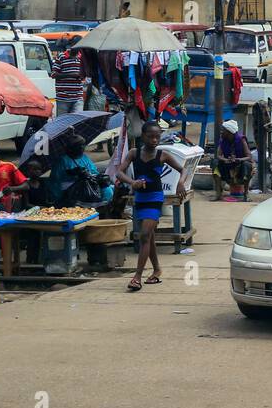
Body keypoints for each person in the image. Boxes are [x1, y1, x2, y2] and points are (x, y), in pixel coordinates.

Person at [117, 121, 188, 292]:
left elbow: (183, 169)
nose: (155, 140)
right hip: (140, 198)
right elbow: (119, 172)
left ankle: (137, 277)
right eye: (151, 136)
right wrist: (132, 182)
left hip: (155, 198)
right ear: (143, 136)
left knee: (144, 235)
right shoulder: (134, 153)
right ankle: (156, 269)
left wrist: (180, 182)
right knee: (148, 237)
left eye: (158, 136)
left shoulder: (163, 155)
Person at [49, 136, 114, 208]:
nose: (82, 148)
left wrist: (88, 174)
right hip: (71, 189)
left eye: (83, 145)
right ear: (71, 148)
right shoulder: (62, 161)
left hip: (88, 182)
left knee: (108, 188)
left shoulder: (84, 157)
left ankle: (106, 207)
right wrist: (73, 174)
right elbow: (55, 181)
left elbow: (94, 172)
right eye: (78, 146)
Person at [216, 119, 253, 200]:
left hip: (240, 164)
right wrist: (225, 159)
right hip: (228, 163)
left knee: (247, 165)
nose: (221, 132)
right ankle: (219, 194)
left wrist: (239, 159)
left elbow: (249, 156)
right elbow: (218, 155)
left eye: (223, 130)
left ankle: (246, 194)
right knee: (215, 163)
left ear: (229, 132)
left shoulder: (241, 139)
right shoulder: (222, 140)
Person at [51, 48, 88, 116]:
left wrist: (82, 75)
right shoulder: (61, 56)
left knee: (77, 121)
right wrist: (71, 75)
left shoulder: (82, 58)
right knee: (62, 123)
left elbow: (84, 75)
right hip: (63, 98)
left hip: (78, 97)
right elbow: (53, 74)